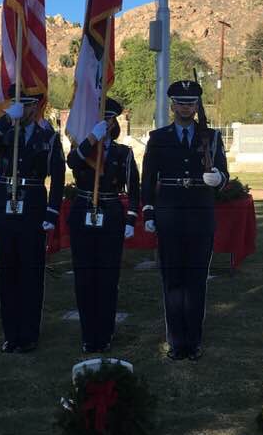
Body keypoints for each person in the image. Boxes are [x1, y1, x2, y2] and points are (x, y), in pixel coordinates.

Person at [141, 79, 228, 362]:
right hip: (169, 214)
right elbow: (147, 180)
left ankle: (194, 340)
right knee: (173, 280)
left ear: (197, 105)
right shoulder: (158, 138)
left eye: (191, 103)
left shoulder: (212, 137)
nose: (186, 107)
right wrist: (149, 212)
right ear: (172, 105)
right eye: (181, 102)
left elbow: (224, 176)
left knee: (196, 280)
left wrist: (218, 179)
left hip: (201, 214)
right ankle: (176, 340)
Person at [0, 88, 65, 353]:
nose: (24, 110)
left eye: (27, 106)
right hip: (6, 204)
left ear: (35, 107)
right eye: (18, 104)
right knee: (7, 272)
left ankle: (28, 334)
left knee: (30, 272)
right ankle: (10, 333)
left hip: (33, 206)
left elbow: (58, 177)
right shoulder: (6, 132)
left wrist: (52, 212)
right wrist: (7, 118)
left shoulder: (48, 137)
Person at [66, 97, 140, 353]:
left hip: (110, 214)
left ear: (114, 123)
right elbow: (72, 162)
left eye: (109, 119)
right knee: (84, 276)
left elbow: (135, 189)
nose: (104, 123)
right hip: (83, 210)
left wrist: (130, 219)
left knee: (108, 278)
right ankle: (89, 334)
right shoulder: (82, 148)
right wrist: (91, 139)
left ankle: (105, 333)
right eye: (100, 119)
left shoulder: (123, 153)